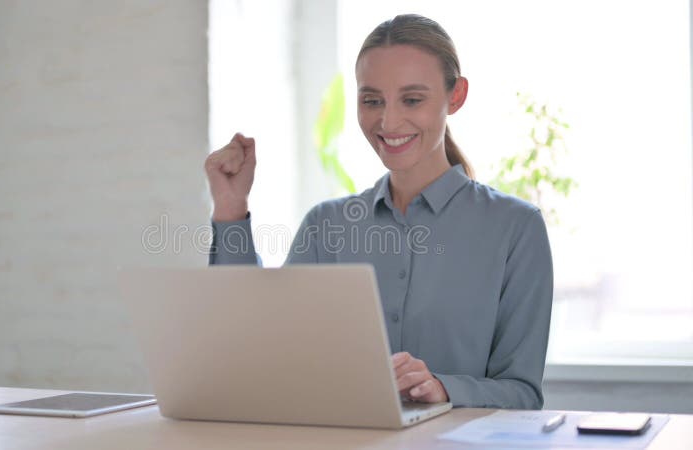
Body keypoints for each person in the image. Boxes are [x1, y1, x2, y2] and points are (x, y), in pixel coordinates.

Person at [204, 14, 553, 410]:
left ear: (455, 96)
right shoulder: (326, 225)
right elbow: (254, 346)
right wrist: (231, 209)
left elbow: (522, 393)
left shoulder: (516, 228)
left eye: (412, 99)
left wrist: (444, 388)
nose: (388, 121)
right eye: (372, 100)